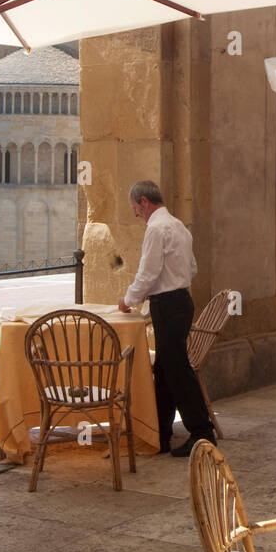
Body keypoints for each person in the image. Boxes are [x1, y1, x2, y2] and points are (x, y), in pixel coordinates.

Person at [118, 180, 216, 455]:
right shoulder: (178, 226)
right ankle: (159, 433)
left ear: (144, 202)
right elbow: (192, 268)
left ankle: (201, 432)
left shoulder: (156, 229)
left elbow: (147, 273)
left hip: (168, 305)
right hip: (180, 301)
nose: (135, 213)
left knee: (177, 370)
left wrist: (128, 301)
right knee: (163, 370)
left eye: (135, 207)